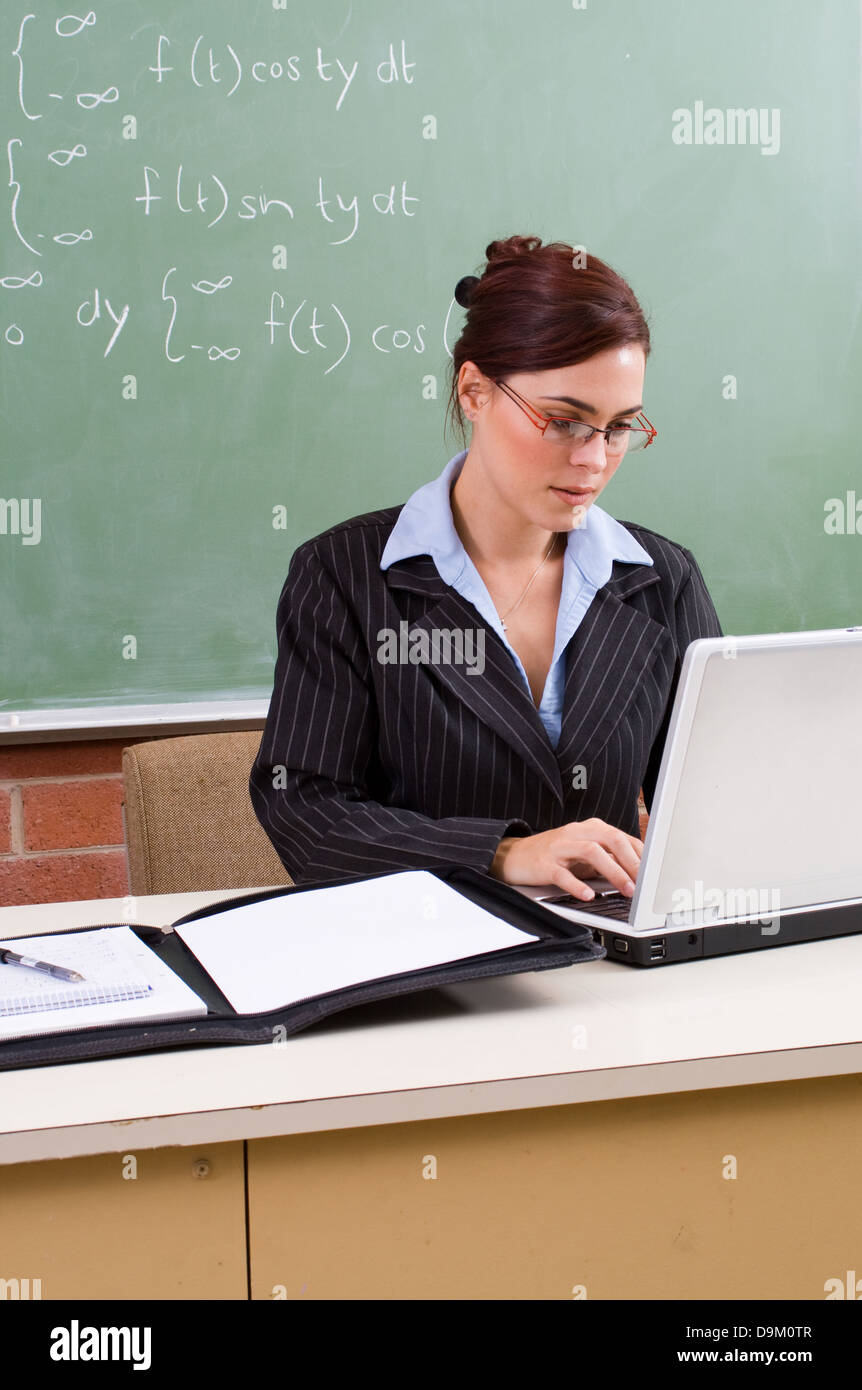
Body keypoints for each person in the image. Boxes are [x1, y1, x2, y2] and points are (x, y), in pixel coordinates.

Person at [249, 235, 722, 900]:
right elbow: (304, 811)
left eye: (619, 427)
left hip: (616, 972)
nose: (593, 460)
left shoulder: (662, 580)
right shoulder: (345, 574)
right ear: (474, 391)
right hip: (427, 962)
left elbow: (720, 803)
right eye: (563, 421)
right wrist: (499, 855)